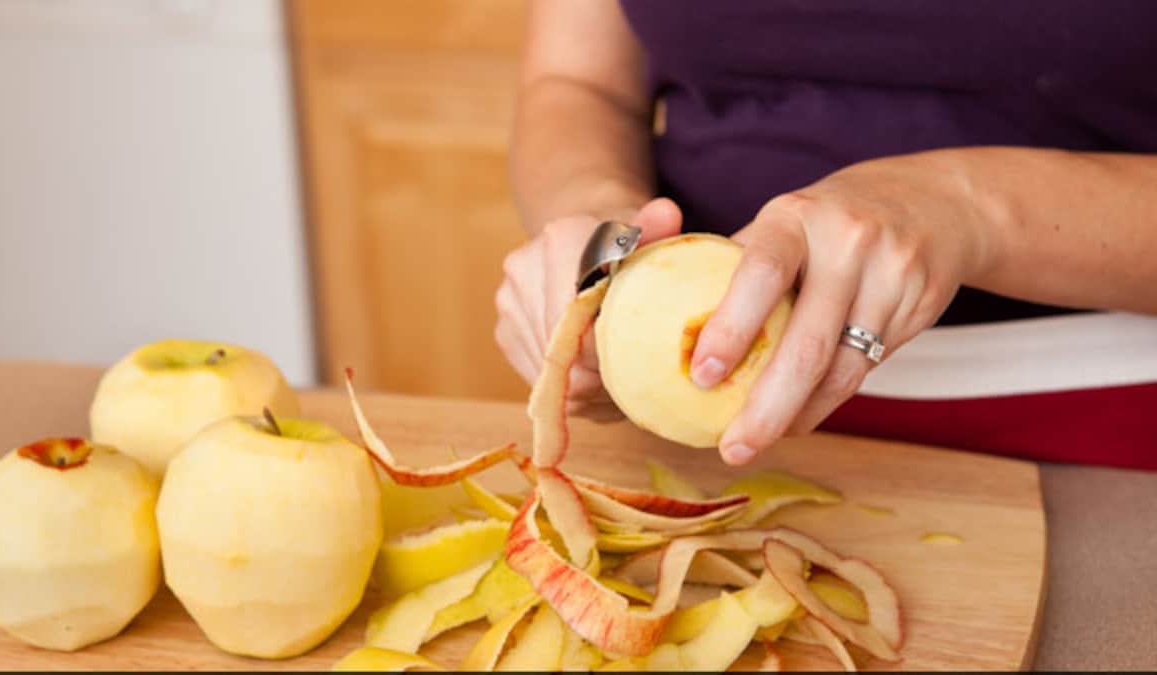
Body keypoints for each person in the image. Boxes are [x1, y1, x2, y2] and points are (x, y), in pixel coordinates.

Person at [493, 0, 1157, 471]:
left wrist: (970, 207)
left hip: (1097, 443)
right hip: (695, 447)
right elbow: (577, 83)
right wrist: (599, 237)